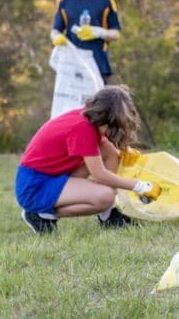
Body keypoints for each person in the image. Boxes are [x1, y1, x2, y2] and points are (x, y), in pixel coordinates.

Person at [15, 85, 161, 234]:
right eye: (115, 126)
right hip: (35, 187)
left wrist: (123, 152)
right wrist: (140, 186)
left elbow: (104, 147)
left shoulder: (87, 119)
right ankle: (39, 215)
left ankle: (108, 215)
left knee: (109, 151)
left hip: (53, 177)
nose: (116, 131)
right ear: (105, 118)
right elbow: (99, 174)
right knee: (105, 196)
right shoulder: (83, 129)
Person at [50, 0, 121, 84]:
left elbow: (116, 33)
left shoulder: (105, 0)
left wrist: (99, 32)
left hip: (99, 65)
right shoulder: (65, 3)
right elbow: (55, 31)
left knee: (99, 104)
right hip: (72, 67)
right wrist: (57, 38)